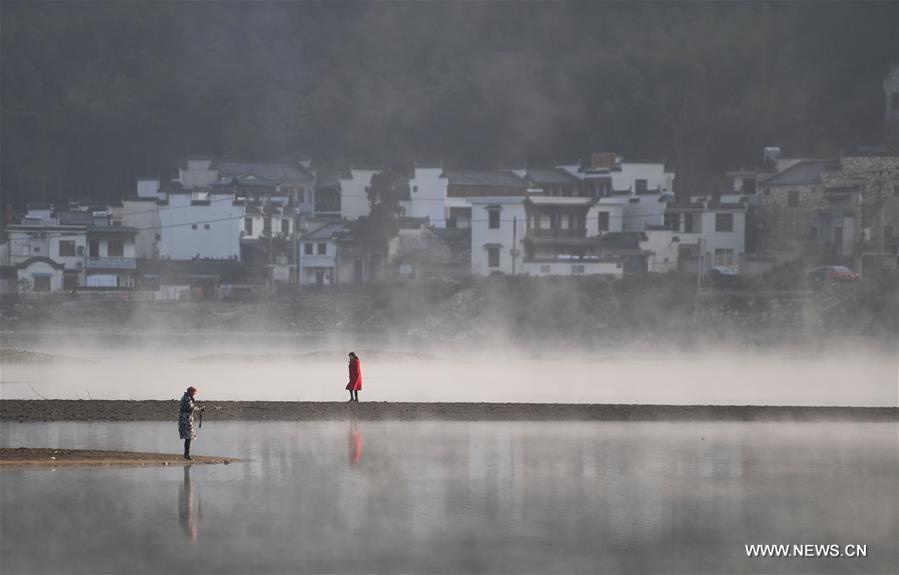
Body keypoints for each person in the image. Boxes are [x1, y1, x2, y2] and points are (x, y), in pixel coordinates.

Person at [179, 386, 204, 460]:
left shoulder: (186, 397)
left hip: (185, 419)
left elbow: (191, 408)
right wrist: (200, 409)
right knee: (188, 437)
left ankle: (186, 454)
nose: (194, 394)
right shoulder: (187, 398)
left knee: (188, 437)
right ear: (190, 392)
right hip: (186, 420)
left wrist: (199, 409)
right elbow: (191, 408)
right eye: (193, 393)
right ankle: (186, 455)